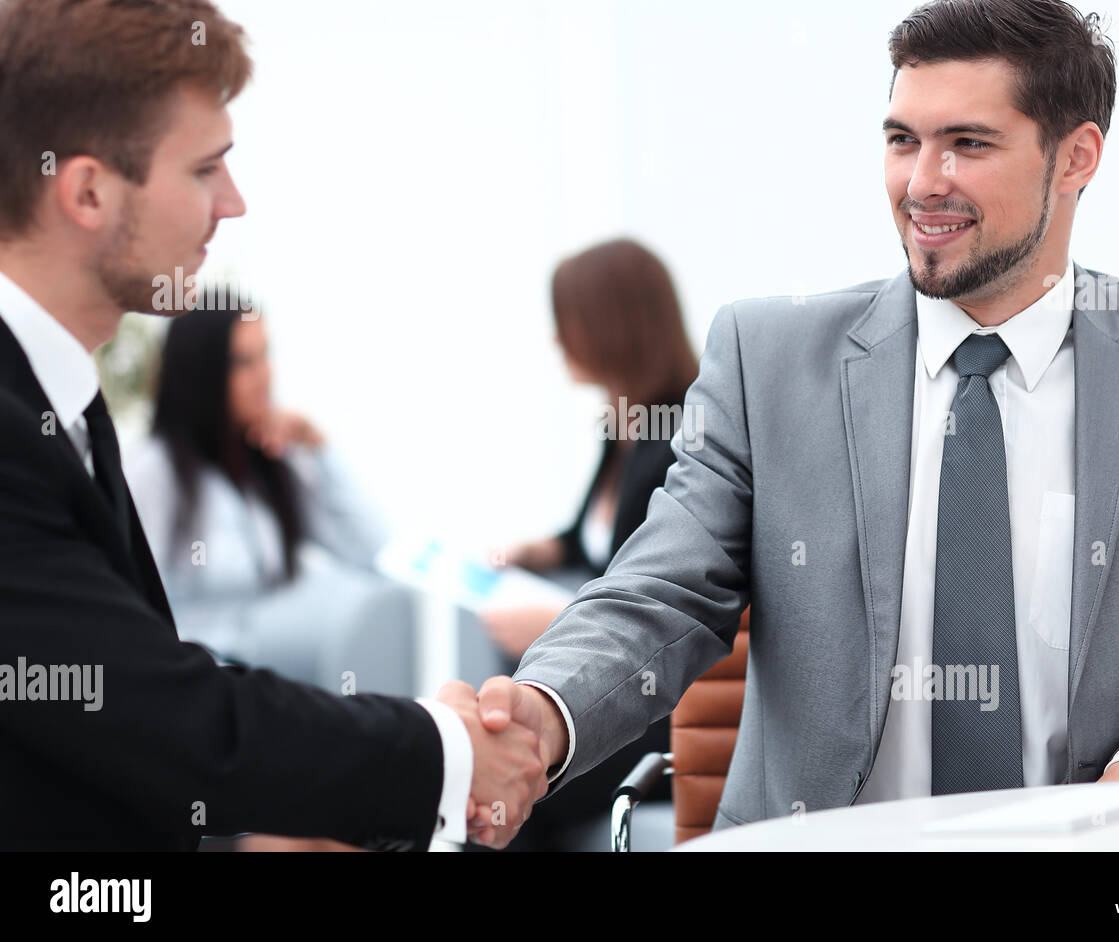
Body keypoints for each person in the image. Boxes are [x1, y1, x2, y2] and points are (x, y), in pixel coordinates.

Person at [463, 0, 1119, 847]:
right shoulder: (767, 360)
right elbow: (660, 591)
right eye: (902, 140)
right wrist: (543, 708)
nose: (922, 182)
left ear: (1076, 157)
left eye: (968, 143)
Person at [0, 0, 543, 851]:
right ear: (89, 191)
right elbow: (151, 710)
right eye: (207, 168)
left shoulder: (64, 400)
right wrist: (444, 751)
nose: (236, 202)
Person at [481, 238, 698, 850]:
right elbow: (599, 541)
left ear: (609, 326)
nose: (557, 342)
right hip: (606, 674)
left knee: (506, 785)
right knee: (500, 758)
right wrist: (542, 551)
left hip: (652, 703)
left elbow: (673, 589)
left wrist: (552, 618)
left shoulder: (685, 436)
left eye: (566, 324)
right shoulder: (622, 424)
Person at [125, 297, 415, 696]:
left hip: (278, 692)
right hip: (200, 694)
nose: (265, 376)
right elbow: (133, 610)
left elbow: (376, 553)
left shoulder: (271, 465)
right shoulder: (153, 472)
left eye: (266, 356)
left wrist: (321, 451)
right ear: (202, 372)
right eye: (244, 362)